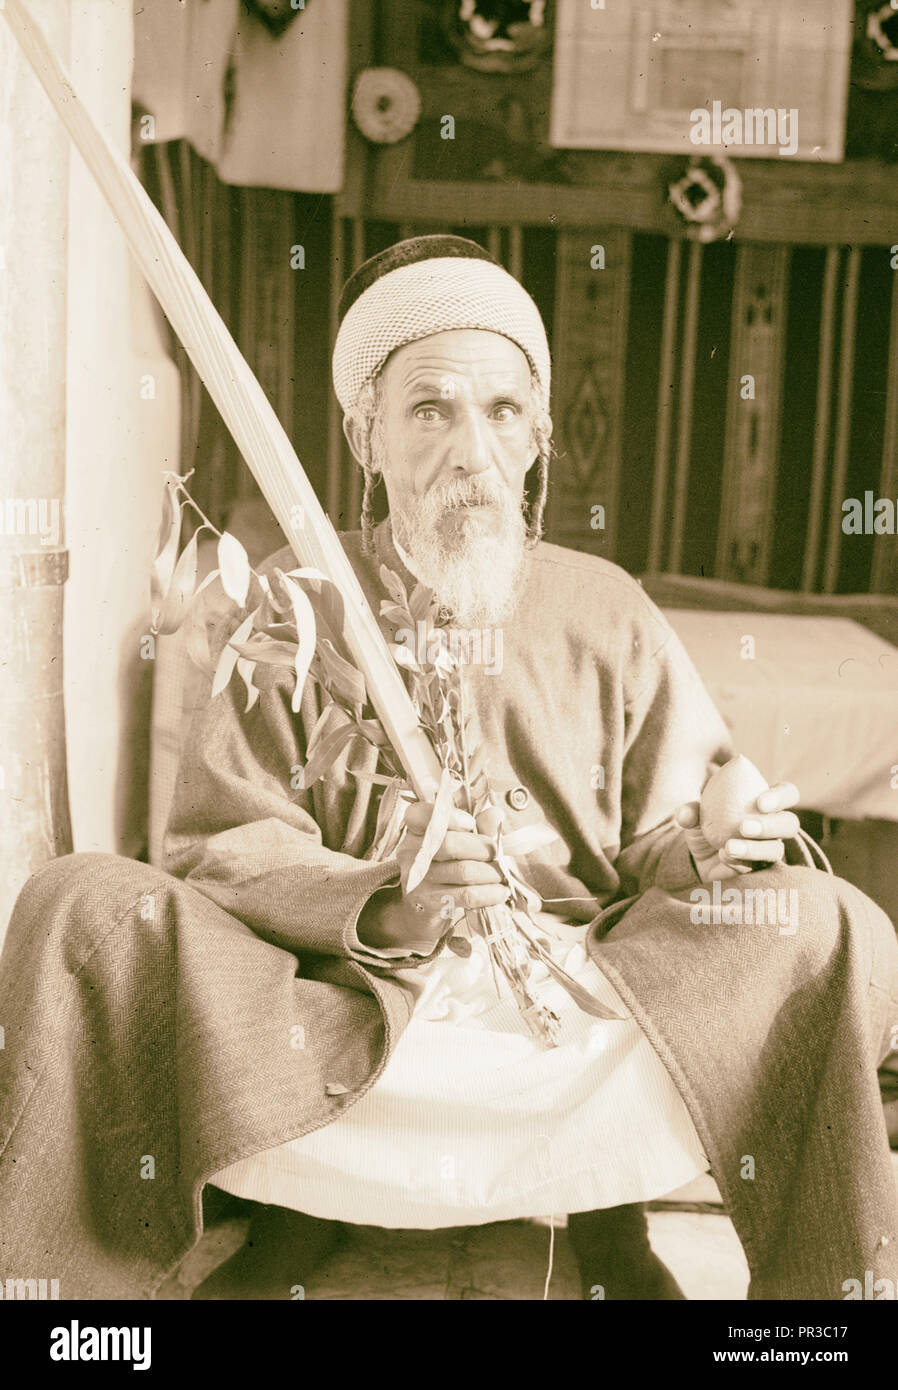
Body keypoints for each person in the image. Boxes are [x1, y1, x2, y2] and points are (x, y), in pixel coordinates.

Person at [1, 236, 896, 1302]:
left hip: (584, 1007)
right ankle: (96, 1305)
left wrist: (709, 844)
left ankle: (791, 1310)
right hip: (350, 1001)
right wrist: (389, 903)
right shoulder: (282, 603)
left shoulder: (603, 603)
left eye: (502, 411)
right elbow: (225, 850)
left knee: (829, 920)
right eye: (430, 409)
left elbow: (661, 839)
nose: (470, 448)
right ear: (363, 434)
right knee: (84, 902)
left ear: (539, 436)